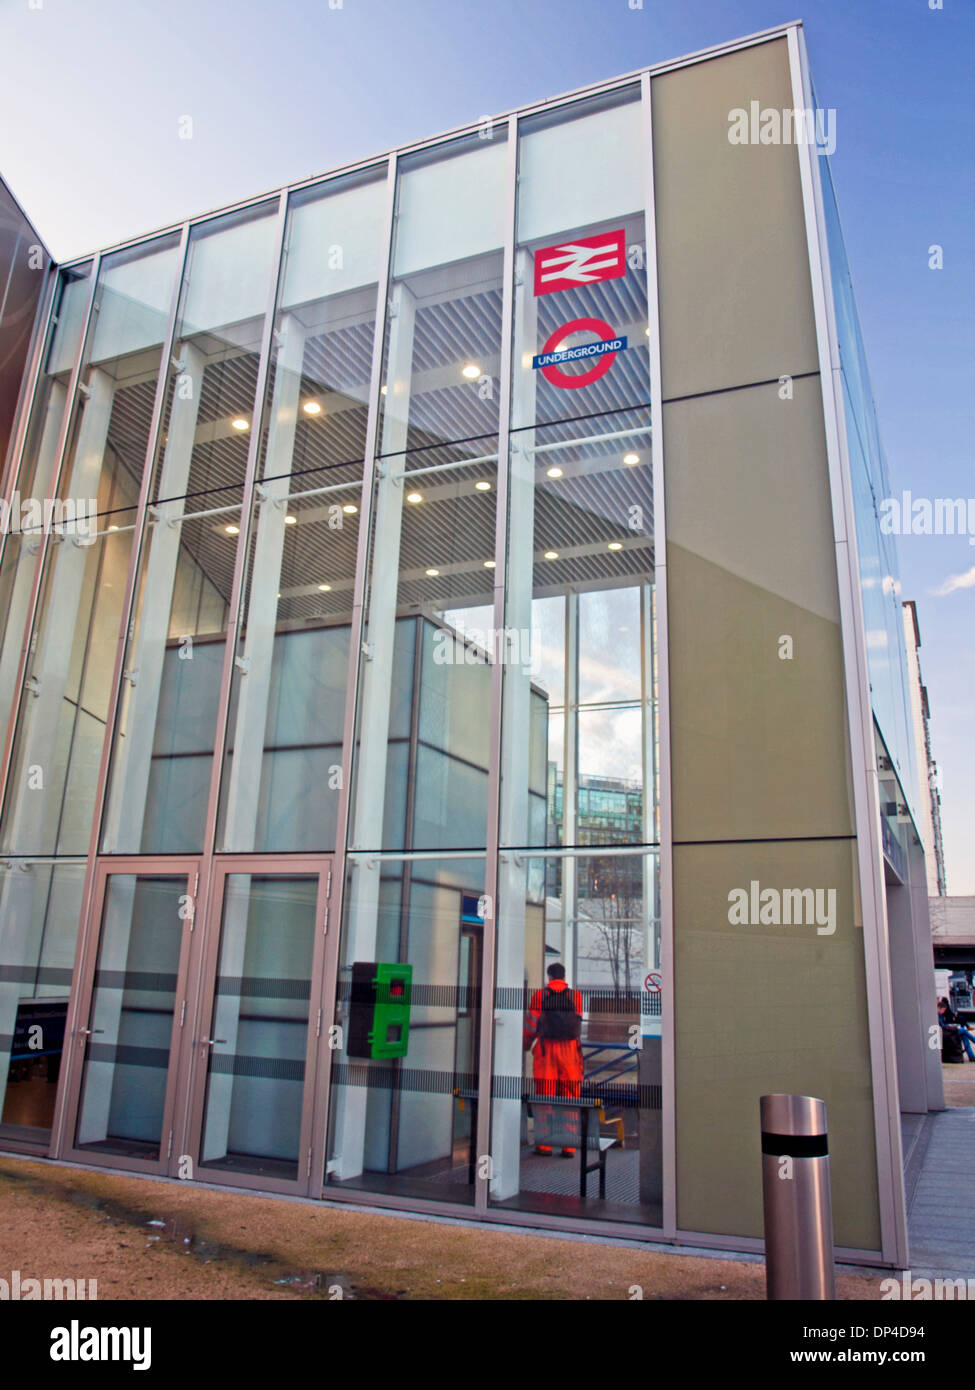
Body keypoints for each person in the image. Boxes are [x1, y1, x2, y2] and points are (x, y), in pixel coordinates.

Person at [524, 963, 584, 1157]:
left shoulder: (539, 996)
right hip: (570, 1050)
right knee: (570, 1097)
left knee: (545, 1096)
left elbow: (531, 1026)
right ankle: (568, 1146)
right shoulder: (576, 997)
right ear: (564, 976)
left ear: (549, 976)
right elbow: (577, 1024)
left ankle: (545, 1145)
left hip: (546, 1049)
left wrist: (525, 1045)